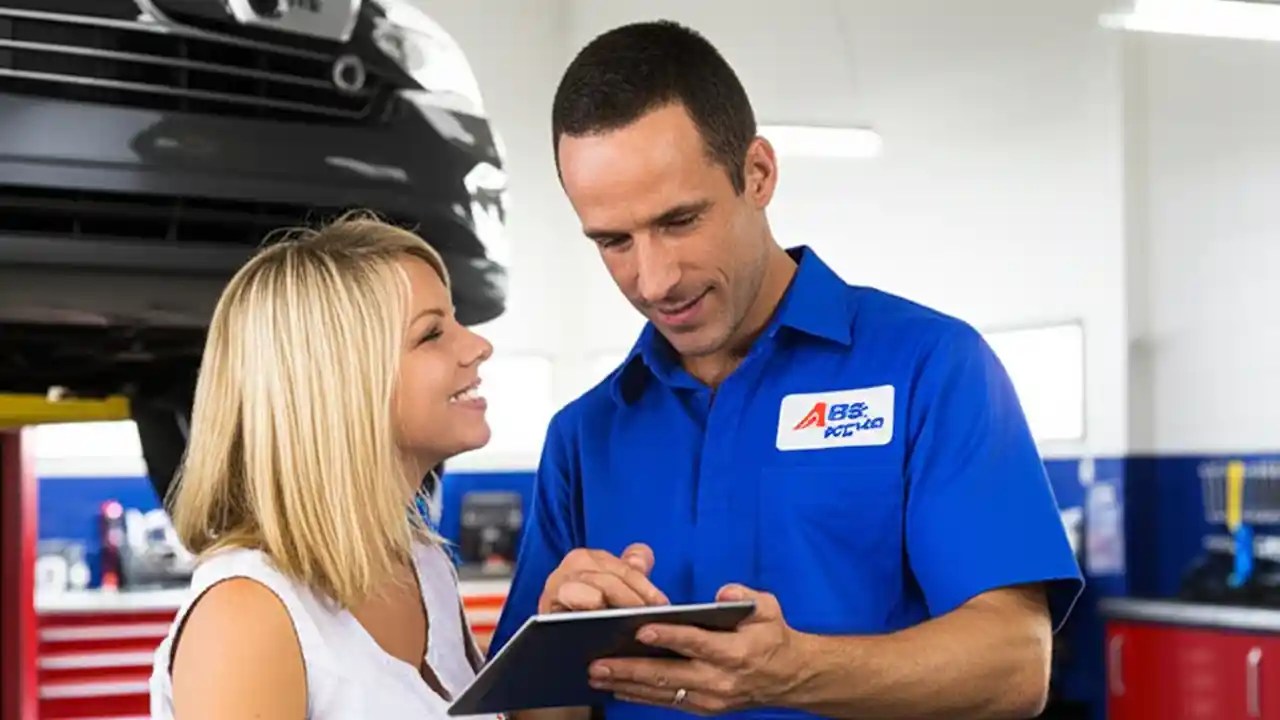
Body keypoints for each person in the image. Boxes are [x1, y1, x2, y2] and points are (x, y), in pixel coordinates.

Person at [490, 19, 1084, 720]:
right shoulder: (584, 436)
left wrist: (795, 672)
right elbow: (542, 713)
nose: (654, 280)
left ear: (758, 174)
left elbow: (1015, 665)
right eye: (614, 241)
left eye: (680, 221)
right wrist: (554, 643)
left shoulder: (930, 369)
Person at [149, 213, 498, 719]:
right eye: (431, 334)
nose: (479, 346)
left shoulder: (421, 565)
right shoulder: (247, 617)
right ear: (340, 382)